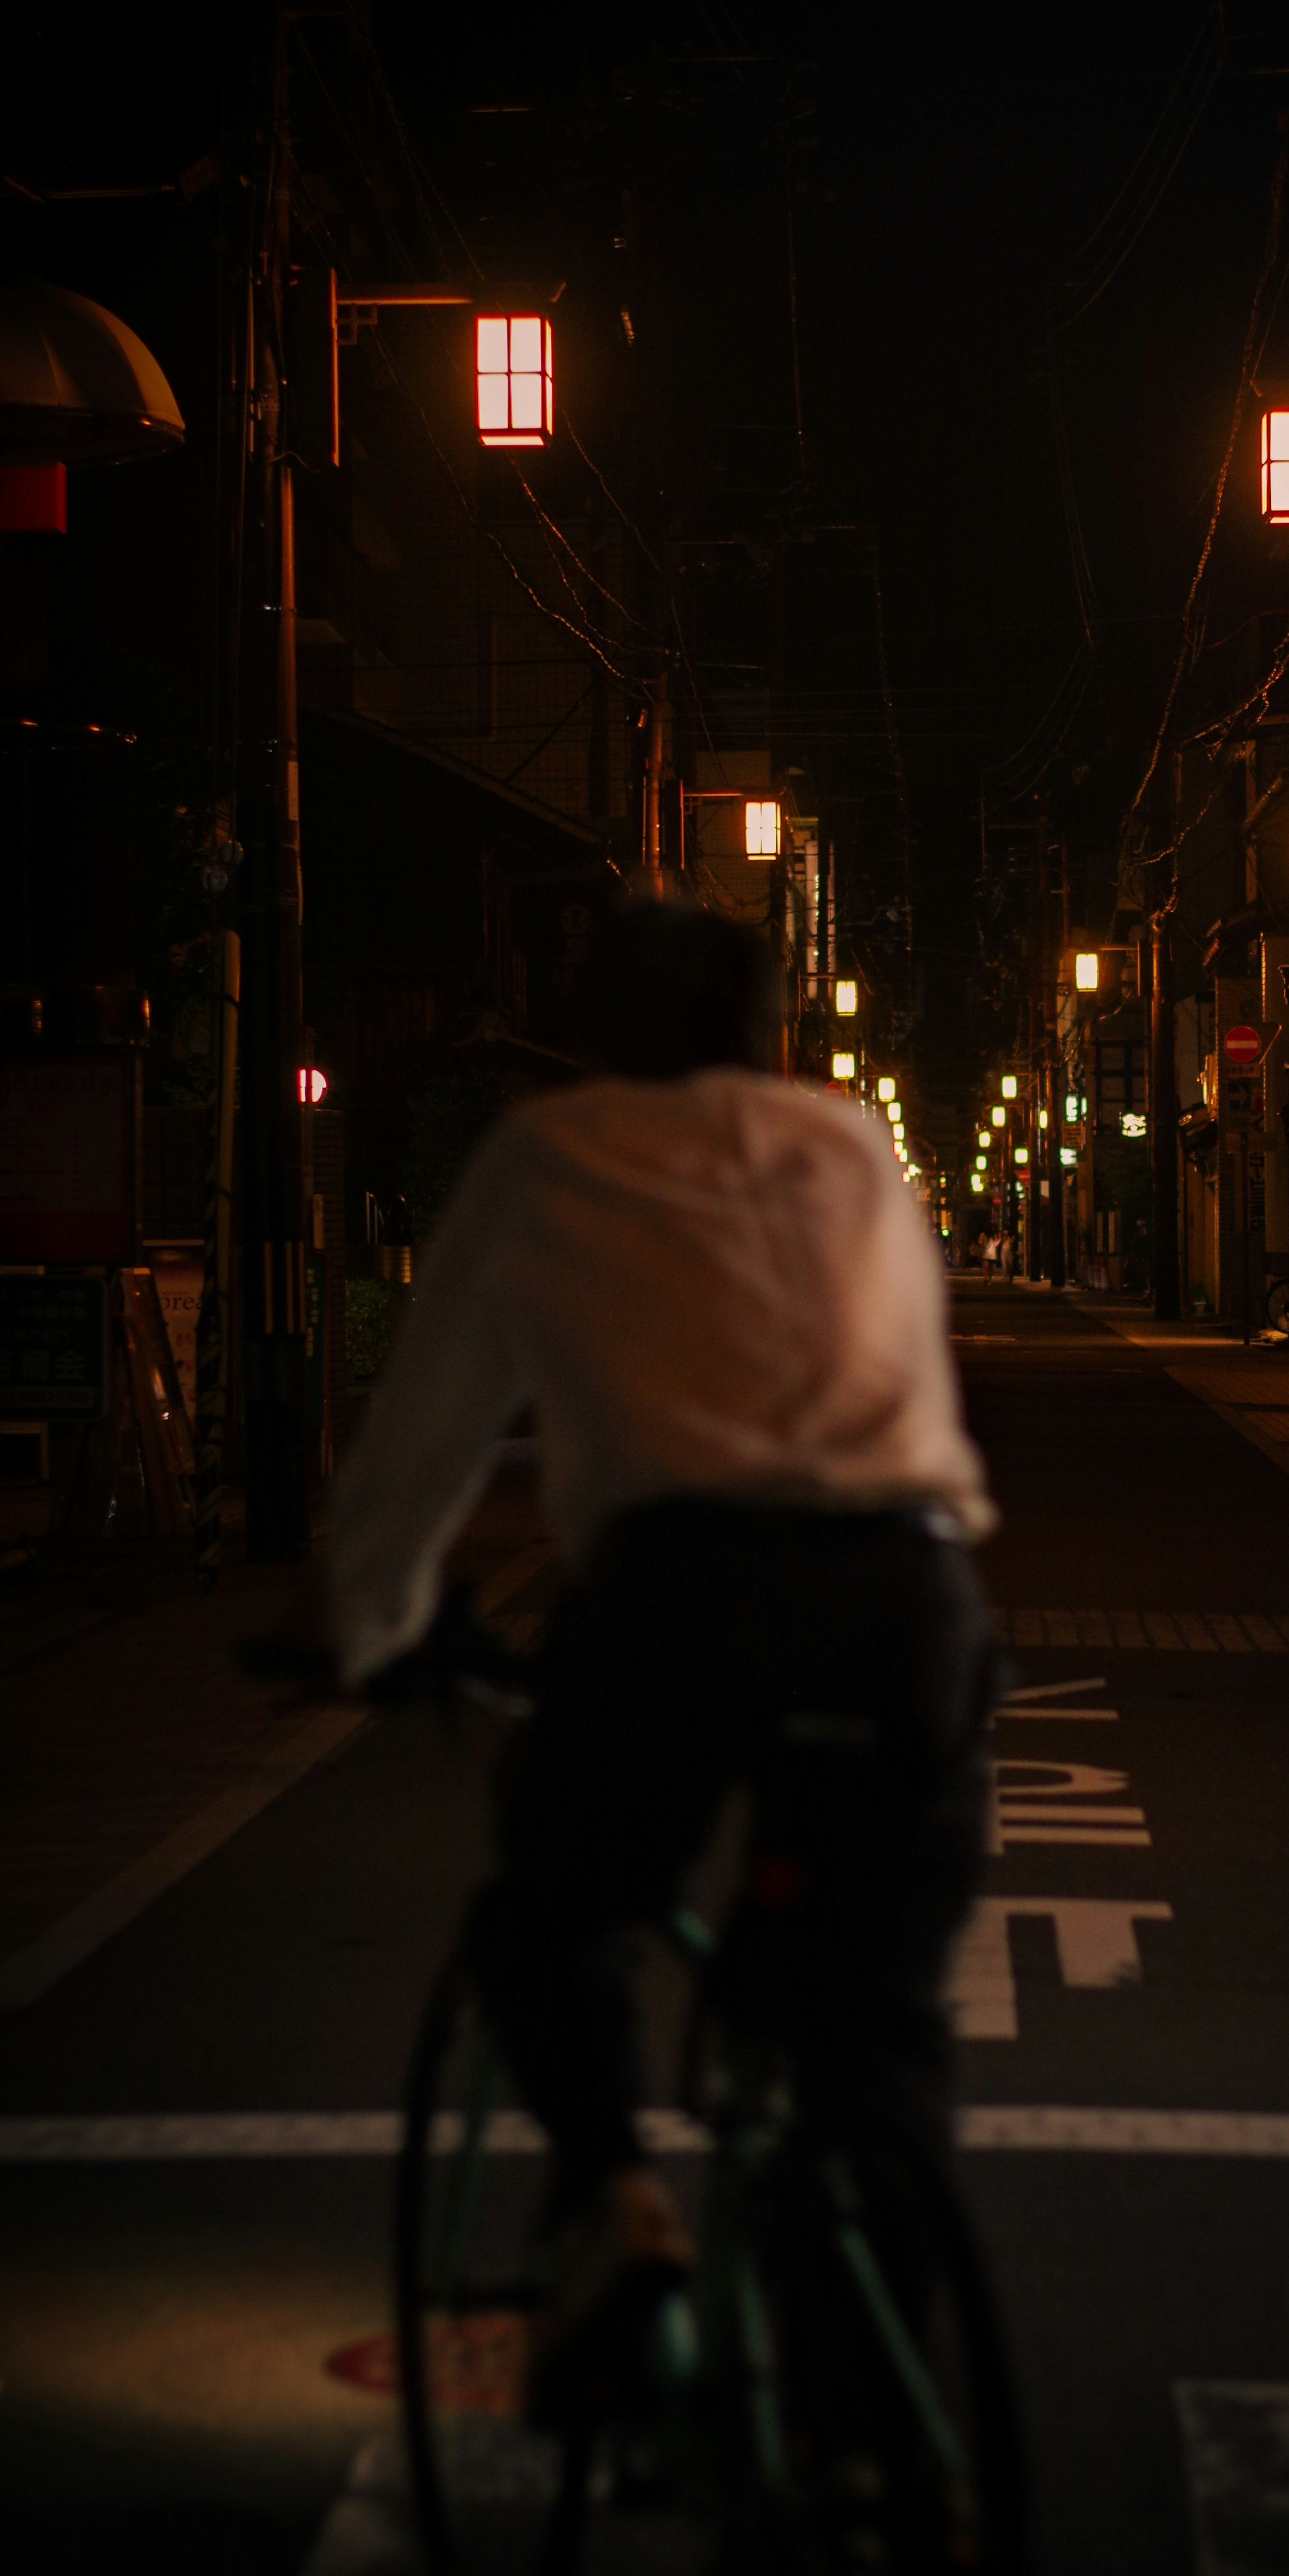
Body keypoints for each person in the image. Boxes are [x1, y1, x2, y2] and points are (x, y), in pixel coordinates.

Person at [325, 901, 997, 2342]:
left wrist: (366, 1618)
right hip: (912, 1594)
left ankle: (619, 2202)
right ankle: (874, 2434)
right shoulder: (851, 1146)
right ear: (770, 1030)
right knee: (871, 2033)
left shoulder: (548, 1156)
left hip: (683, 1600)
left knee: (551, 1911)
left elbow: (423, 1434)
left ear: (593, 1030)